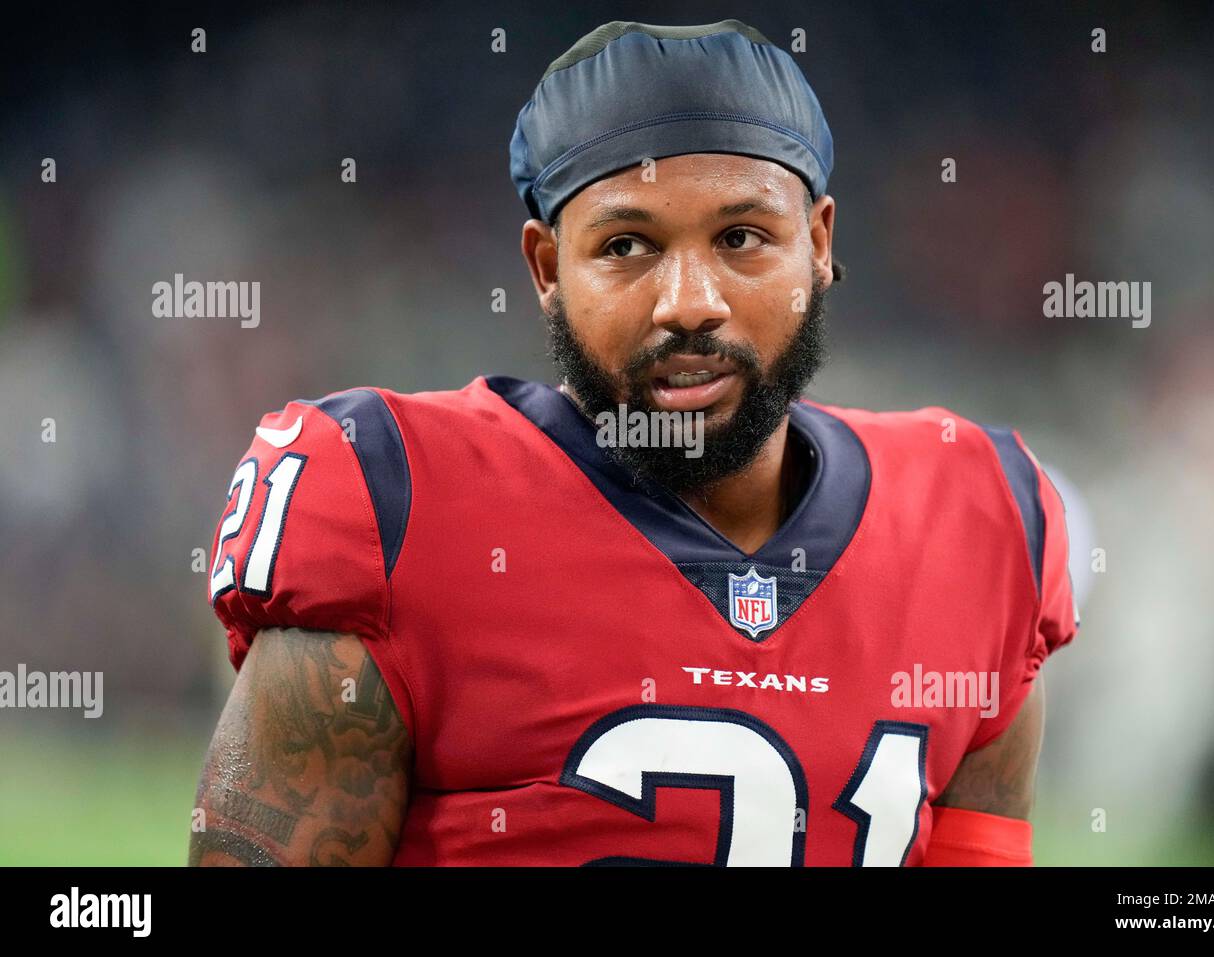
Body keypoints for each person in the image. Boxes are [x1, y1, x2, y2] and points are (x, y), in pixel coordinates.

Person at [190, 19, 1077, 866]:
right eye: (626, 246)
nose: (689, 301)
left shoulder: (980, 518)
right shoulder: (397, 502)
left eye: (742, 237)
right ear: (545, 269)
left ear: (817, 243)